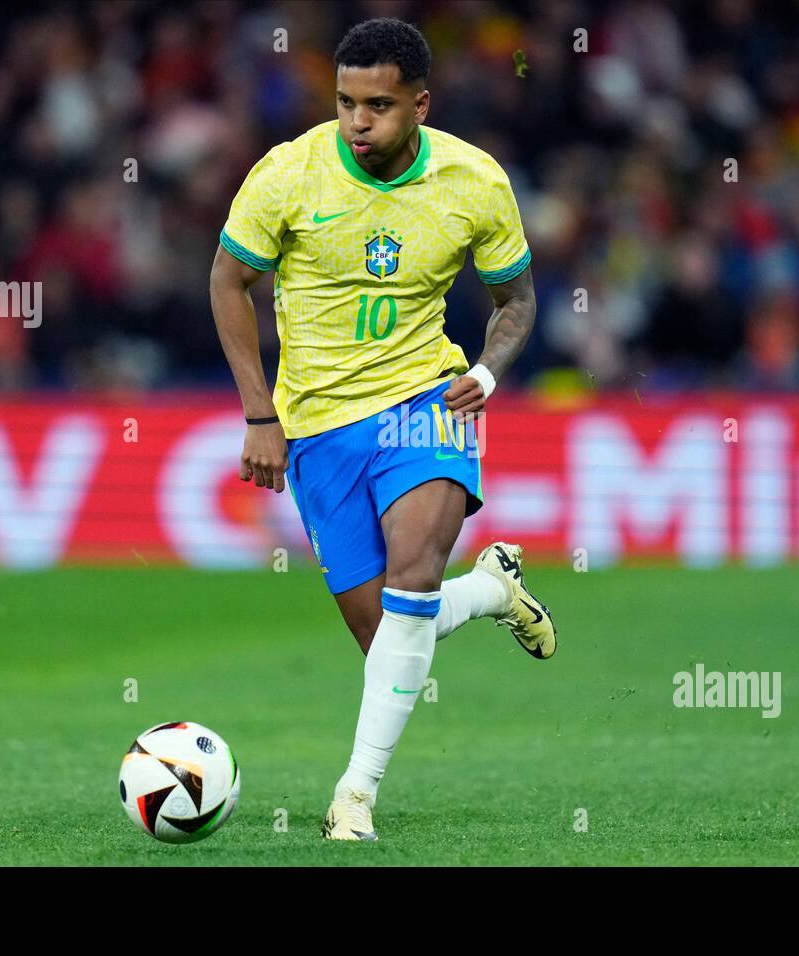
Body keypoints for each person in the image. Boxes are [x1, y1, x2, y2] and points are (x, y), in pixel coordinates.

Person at [209, 17, 556, 842]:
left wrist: (486, 371)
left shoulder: (475, 183)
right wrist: (262, 415)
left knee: (409, 583)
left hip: (425, 404)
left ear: (421, 105)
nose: (358, 122)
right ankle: (492, 591)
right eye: (345, 103)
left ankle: (354, 798)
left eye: (379, 106)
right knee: (392, 633)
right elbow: (228, 283)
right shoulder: (287, 174)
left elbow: (519, 300)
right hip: (319, 426)